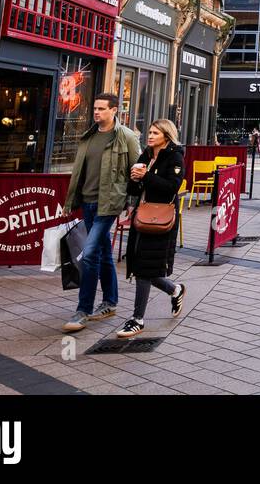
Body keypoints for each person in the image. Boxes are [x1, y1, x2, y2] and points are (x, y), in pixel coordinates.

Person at [62, 94, 141, 333]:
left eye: (101, 109)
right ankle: (110, 302)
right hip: (87, 202)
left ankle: (82, 310)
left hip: (109, 204)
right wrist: (72, 199)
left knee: (90, 254)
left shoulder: (126, 136)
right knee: (105, 252)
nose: (96, 112)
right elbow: (80, 172)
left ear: (114, 110)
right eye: (94, 108)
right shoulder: (88, 136)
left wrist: (131, 204)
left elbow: (137, 172)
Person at [115, 119, 186, 339]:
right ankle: (175, 290)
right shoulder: (146, 154)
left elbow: (172, 187)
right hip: (141, 214)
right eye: (150, 132)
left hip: (160, 218)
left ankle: (137, 319)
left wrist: (146, 176)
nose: (151, 135)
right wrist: (135, 180)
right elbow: (135, 188)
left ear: (166, 135)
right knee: (142, 266)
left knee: (144, 268)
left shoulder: (175, 157)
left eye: (156, 132)